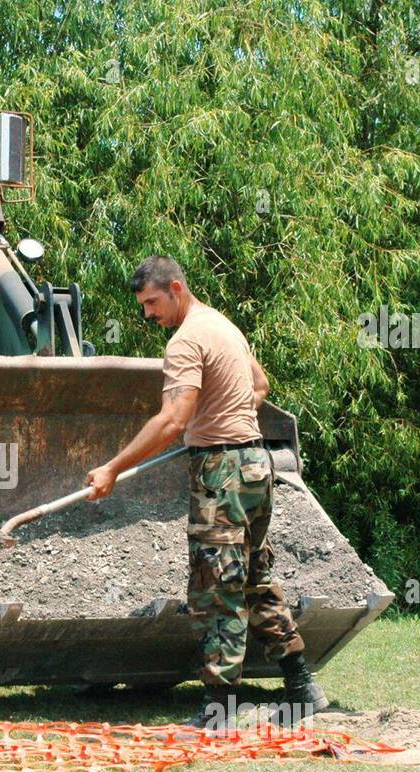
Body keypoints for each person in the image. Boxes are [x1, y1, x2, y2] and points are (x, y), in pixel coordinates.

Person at [85, 255, 327, 729]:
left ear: (176, 287)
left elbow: (172, 419)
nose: (147, 314)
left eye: (152, 302)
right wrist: (220, 421)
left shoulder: (185, 341)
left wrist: (112, 468)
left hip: (222, 474)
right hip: (256, 465)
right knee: (254, 576)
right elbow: (259, 384)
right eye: (142, 305)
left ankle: (220, 709)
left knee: (215, 587)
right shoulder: (222, 325)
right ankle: (301, 686)